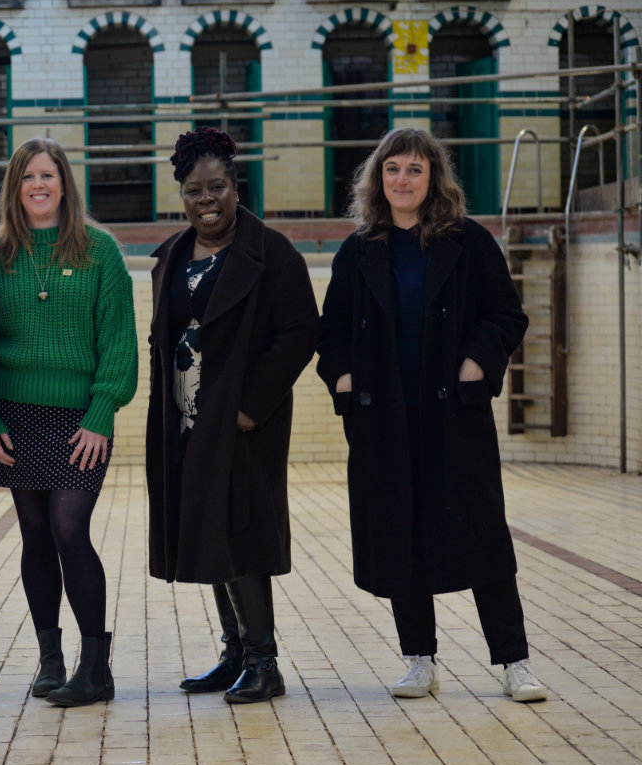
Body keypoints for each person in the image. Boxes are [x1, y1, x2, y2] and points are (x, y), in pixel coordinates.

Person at [316, 127, 548, 702]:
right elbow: (333, 331)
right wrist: (344, 382)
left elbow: (506, 315)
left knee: (484, 538)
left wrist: (475, 363)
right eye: (393, 169)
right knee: (401, 538)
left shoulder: (468, 241)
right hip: (383, 420)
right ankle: (419, 659)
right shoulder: (358, 249)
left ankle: (514, 661)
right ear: (378, 179)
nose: (403, 180)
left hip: (454, 417)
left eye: (415, 170)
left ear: (434, 178)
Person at [146, 126, 319, 705]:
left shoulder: (271, 253)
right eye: (194, 190)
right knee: (209, 534)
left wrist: (251, 407)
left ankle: (264, 663)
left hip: (243, 423)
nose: (207, 200)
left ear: (236, 186)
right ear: (182, 194)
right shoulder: (172, 254)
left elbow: (300, 333)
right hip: (187, 419)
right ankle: (234, 654)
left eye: (217, 187)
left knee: (241, 533)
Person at [0, 137, 138, 707]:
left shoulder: (99, 251)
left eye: (48, 175)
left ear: (65, 182)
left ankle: (96, 668)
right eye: (27, 177)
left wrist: (100, 413)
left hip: (81, 419)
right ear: (14, 187)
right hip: (14, 416)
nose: (38, 185)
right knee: (36, 534)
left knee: (69, 529)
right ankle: (50, 660)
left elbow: (118, 342)